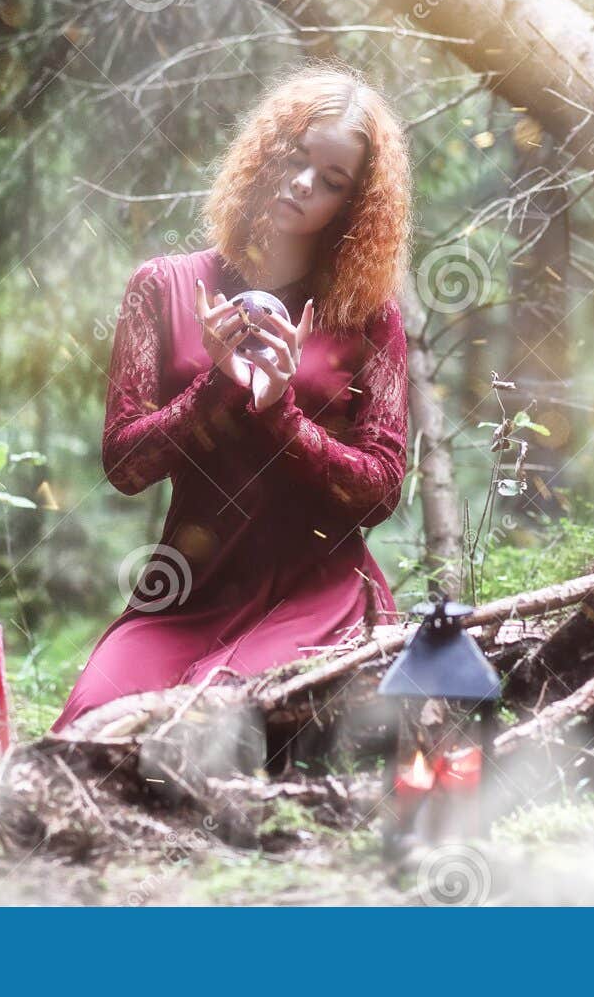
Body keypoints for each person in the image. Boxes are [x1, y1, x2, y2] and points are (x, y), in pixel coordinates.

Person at [50, 59, 414, 733]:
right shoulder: (162, 286)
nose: (304, 185)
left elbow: (384, 489)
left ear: (353, 207)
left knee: (212, 726)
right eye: (296, 159)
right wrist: (214, 388)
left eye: (332, 181)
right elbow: (125, 467)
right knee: (89, 728)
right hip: (185, 588)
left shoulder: (370, 317)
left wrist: (283, 415)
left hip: (316, 589)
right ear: (266, 152)